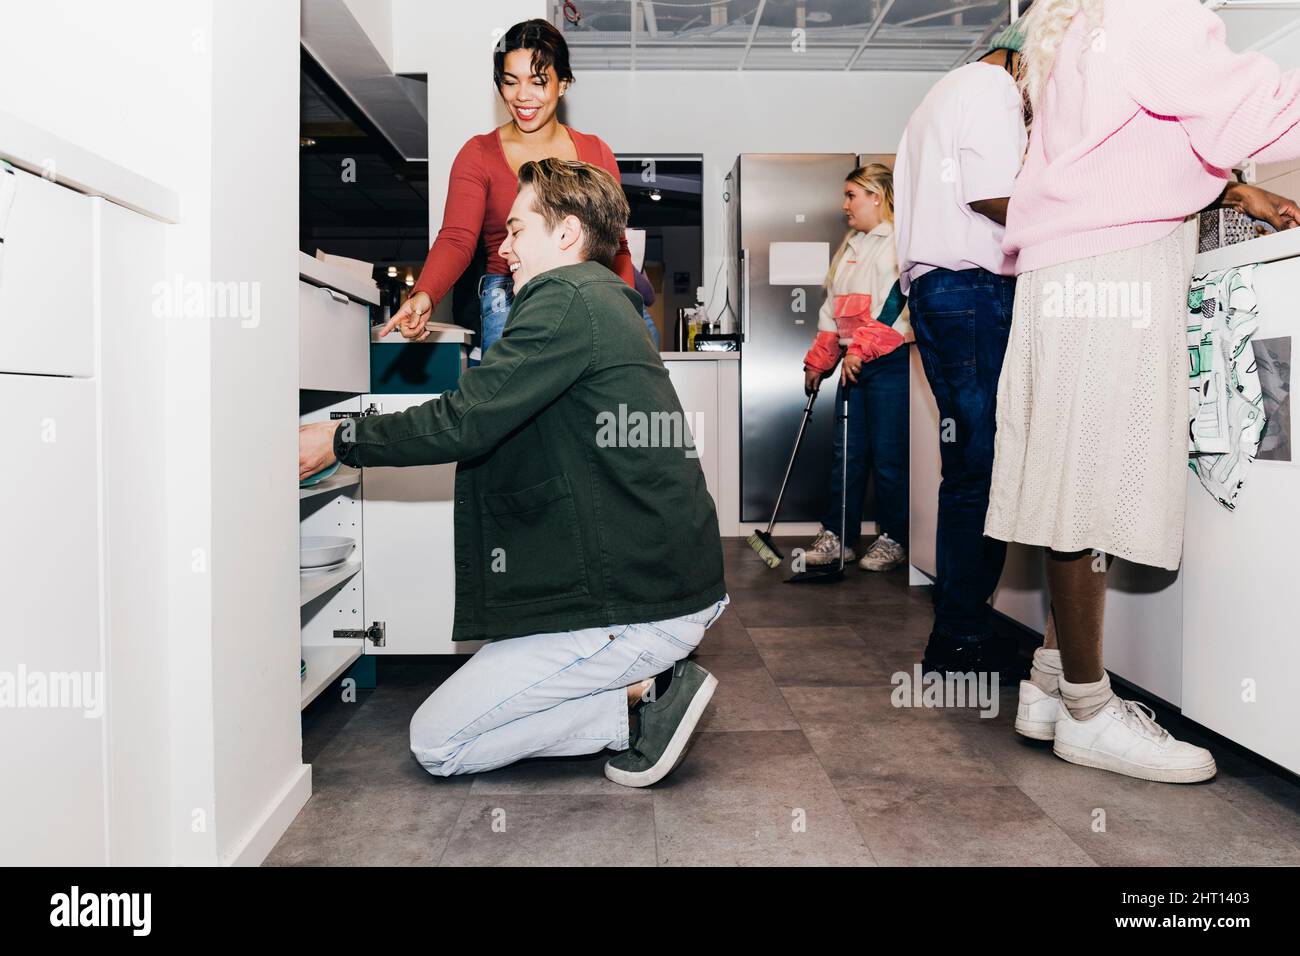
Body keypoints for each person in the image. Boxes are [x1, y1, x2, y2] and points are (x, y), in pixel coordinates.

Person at [299, 159, 727, 787]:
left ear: (568, 234)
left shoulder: (567, 297)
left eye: (516, 231)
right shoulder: (605, 301)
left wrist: (342, 438)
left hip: (642, 605)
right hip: (664, 586)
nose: (502, 251)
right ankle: (643, 690)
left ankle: (641, 705)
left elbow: (465, 419)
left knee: (436, 743)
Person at [991, 0, 1300, 783]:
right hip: (1112, 269)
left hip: (1073, 269)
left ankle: (1053, 682)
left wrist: (1230, 191)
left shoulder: (1089, 23)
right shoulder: (1150, 7)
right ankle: (1092, 715)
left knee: (1071, 471)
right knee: (1090, 480)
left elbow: (1149, 151)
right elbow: (1259, 116)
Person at [891, 22, 1030, 675]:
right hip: (975, 290)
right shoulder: (997, 82)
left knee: (969, 468)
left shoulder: (931, 103)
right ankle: (962, 640)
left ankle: (960, 632)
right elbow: (995, 195)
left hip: (936, 293)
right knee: (986, 467)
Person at [380, 19, 634, 360]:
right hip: (509, 297)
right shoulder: (478, 153)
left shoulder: (596, 152)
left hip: (588, 294)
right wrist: (423, 294)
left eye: (538, 82)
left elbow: (617, 247)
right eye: (510, 82)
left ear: (563, 84)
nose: (522, 96)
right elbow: (456, 238)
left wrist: (626, 309)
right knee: (511, 406)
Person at [800, 164, 911, 572]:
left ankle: (895, 536)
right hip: (852, 364)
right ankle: (839, 537)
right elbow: (834, 312)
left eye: (851, 195)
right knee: (846, 454)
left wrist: (860, 351)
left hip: (888, 364)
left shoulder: (897, 242)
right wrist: (820, 360)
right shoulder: (851, 246)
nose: (844, 204)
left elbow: (894, 306)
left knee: (888, 456)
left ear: (877, 196)